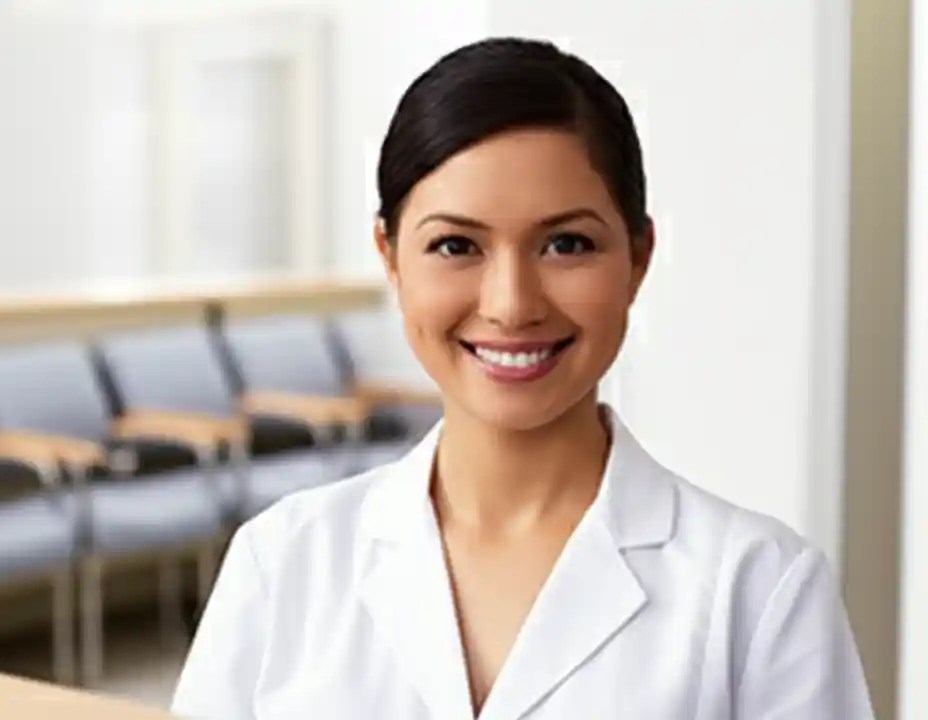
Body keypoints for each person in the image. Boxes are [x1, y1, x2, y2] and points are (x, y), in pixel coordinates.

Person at [171, 37, 873, 719]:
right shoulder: (283, 562)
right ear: (390, 256)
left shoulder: (758, 590)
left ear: (637, 256)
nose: (511, 304)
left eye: (567, 244)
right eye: (456, 246)